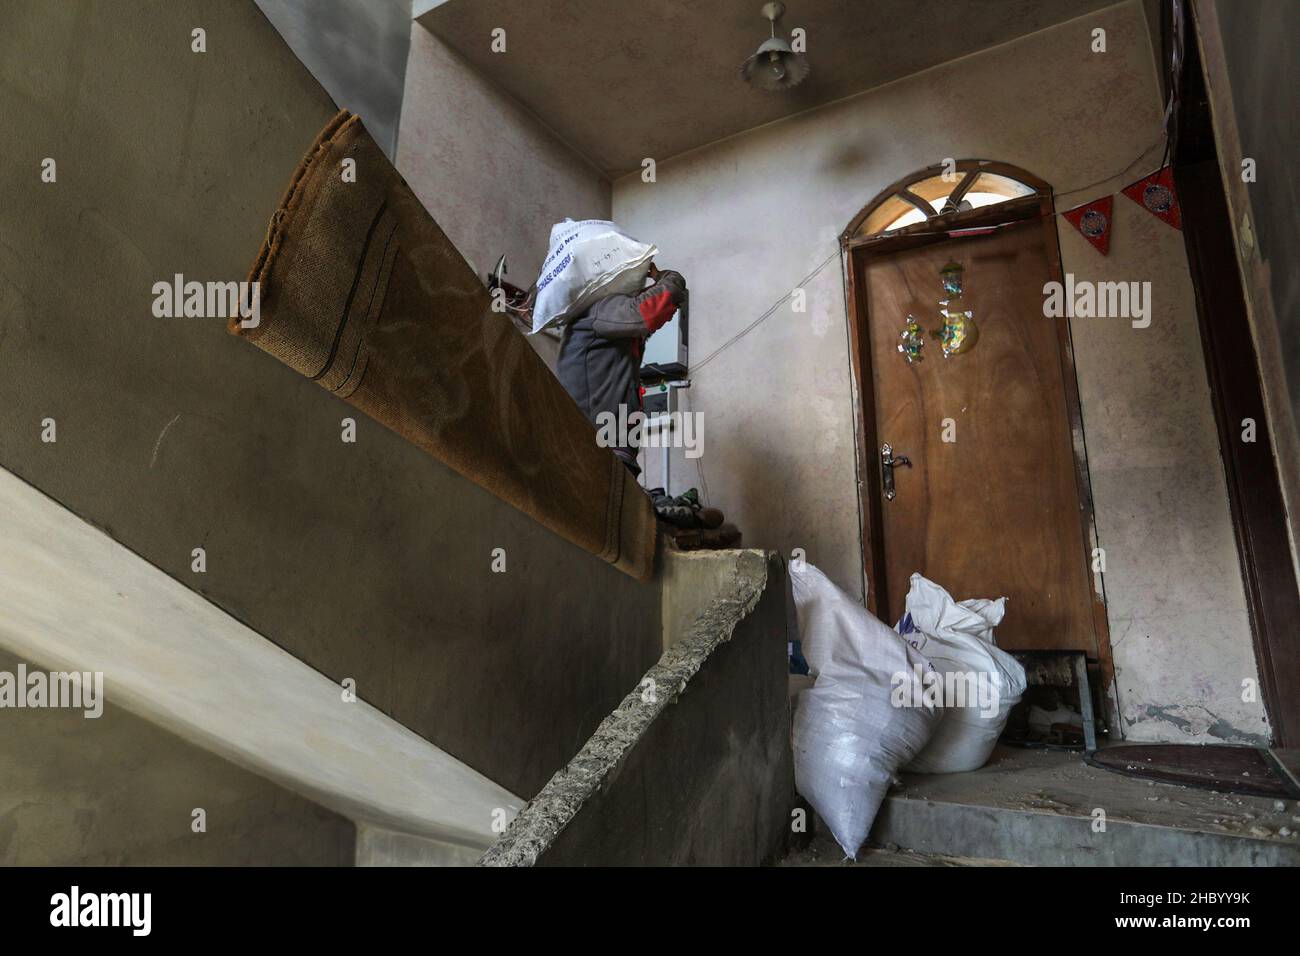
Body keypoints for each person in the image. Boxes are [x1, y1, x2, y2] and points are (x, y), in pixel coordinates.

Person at [556, 263, 687, 476]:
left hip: (610, 449)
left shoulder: (604, 316)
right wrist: (663, 276)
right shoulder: (601, 308)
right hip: (599, 450)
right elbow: (661, 301)